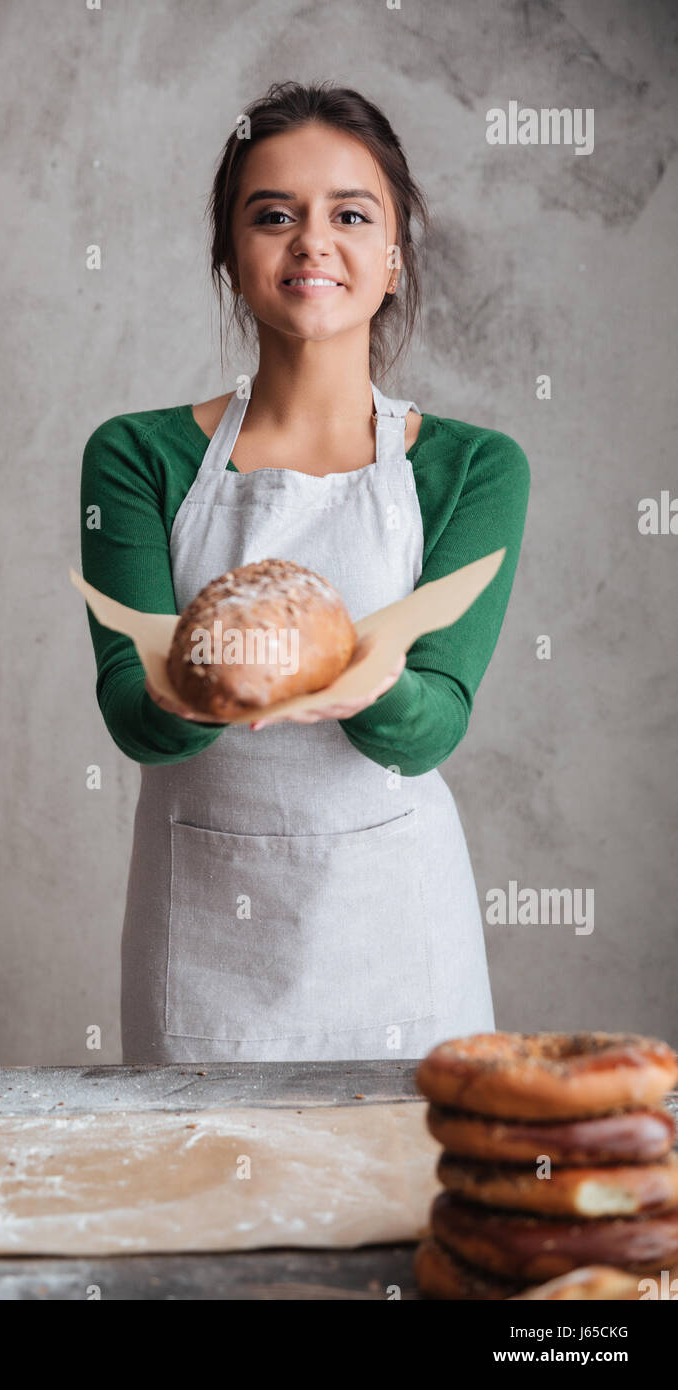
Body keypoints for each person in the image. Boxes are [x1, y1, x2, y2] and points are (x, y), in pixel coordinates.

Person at [80, 81, 530, 1063]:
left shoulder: (473, 467)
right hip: (203, 939)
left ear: (393, 256)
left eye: (349, 215)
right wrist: (209, 681)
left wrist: (346, 677)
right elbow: (131, 712)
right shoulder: (133, 455)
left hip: (398, 940)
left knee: (409, 1204)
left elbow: (434, 719)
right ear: (229, 256)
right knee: (196, 1201)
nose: (310, 241)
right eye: (271, 215)